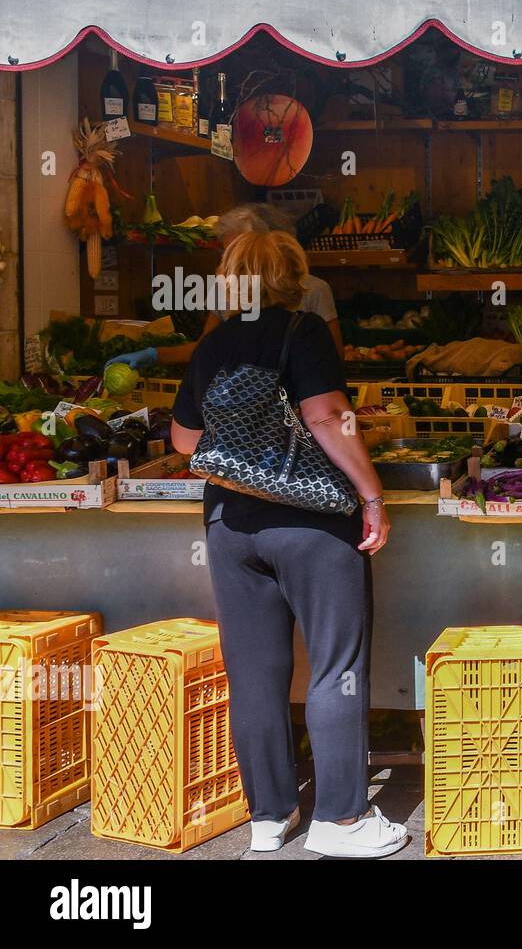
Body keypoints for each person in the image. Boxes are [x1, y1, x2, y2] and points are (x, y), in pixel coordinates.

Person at [168, 230, 406, 858]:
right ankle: (342, 822)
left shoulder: (212, 343)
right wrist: (372, 490)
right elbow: (328, 415)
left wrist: (247, 459)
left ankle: (269, 818)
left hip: (229, 528)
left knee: (254, 673)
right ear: (294, 276)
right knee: (336, 666)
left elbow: (183, 440)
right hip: (311, 524)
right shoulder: (301, 332)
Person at [106, 203, 344, 371]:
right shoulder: (224, 291)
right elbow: (205, 348)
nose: (228, 261)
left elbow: (333, 359)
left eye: (237, 251)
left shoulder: (313, 290)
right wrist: (154, 355)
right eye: (226, 252)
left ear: (267, 246)